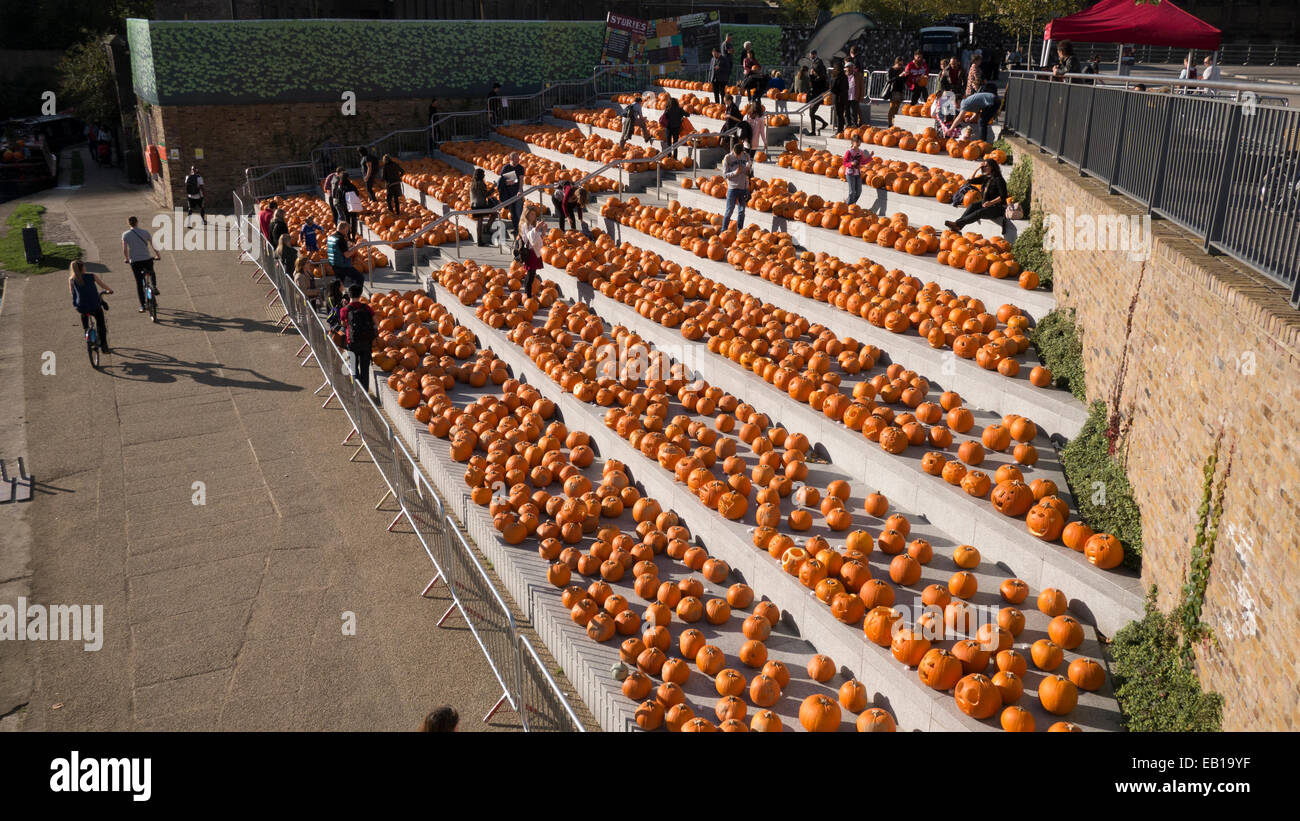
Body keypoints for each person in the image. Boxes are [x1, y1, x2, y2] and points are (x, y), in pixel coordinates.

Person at [945, 159, 1007, 232]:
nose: (984, 168)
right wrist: (977, 168)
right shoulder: (986, 178)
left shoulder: (999, 180)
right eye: (983, 166)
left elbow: (1003, 196)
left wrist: (991, 203)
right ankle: (958, 226)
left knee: (979, 212)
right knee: (972, 206)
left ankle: (957, 224)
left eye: (986, 166)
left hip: (998, 208)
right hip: (986, 204)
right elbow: (970, 181)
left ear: (992, 167)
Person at [339, 284, 377, 394]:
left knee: (354, 368)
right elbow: (376, 324)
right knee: (365, 369)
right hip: (366, 342)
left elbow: (343, 324)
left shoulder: (344, 310)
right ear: (360, 294)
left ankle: (356, 391)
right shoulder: (367, 308)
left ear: (349, 295)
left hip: (352, 342)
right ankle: (365, 392)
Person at [70, 260, 113, 353]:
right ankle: (104, 346)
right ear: (82, 268)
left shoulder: (72, 280)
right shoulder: (91, 276)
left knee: (85, 320)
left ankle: (87, 334)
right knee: (101, 325)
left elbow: (73, 293)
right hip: (94, 305)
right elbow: (102, 285)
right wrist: (110, 290)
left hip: (82, 307)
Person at [122, 216, 161, 313]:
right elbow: (153, 245)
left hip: (135, 261)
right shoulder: (145, 232)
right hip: (146, 259)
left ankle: (143, 305)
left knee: (139, 283)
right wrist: (157, 255)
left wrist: (126, 259)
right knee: (151, 272)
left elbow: (125, 249)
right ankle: (154, 286)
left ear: (128, 223)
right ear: (137, 222)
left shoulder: (125, 235)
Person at [721, 142, 752, 231]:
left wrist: (748, 168)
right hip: (733, 188)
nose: (738, 156)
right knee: (729, 211)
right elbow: (724, 175)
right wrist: (735, 173)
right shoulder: (727, 158)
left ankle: (740, 231)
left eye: (740, 154)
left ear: (742, 152)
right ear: (733, 151)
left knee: (742, 211)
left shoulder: (746, 156)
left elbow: (749, 172)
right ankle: (723, 230)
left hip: (743, 187)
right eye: (736, 154)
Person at [518, 205, 546, 296]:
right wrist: (537, 228)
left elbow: (538, 240)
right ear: (526, 215)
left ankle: (527, 293)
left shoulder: (531, 225)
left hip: (534, 252)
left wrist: (543, 231)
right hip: (530, 252)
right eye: (532, 214)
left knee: (532, 274)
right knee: (530, 275)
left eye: (534, 214)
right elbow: (530, 238)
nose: (534, 216)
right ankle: (527, 295)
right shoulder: (525, 225)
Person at [496, 152, 526, 235]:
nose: (518, 159)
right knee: (512, 212)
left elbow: (520, 180)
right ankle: (516, 228)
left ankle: (520, 230)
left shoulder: (520, 168)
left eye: (518, 158)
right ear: (511, 159)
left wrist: (520, 190)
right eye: (516, 158)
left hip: (517, 192)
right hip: (508, 193)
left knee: (518, 211)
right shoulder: (506, 168)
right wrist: (511, 181)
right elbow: (507, 181)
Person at [327, 222, 363, 289]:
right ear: (344, 229)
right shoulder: (340, 239)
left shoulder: (330, 237)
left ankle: (337, 298)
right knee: (360, 278)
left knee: (339, 285)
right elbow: (347, 255)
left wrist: (348, 247)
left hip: (334, 265)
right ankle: (355, 296)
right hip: (343, 266)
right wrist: (357, 247)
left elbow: (337, 250)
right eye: (347, 230)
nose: (347, 232)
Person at [469, 167, 499, 247]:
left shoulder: (472, 184)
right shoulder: (481, 184)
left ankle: (479, 240)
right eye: (483, 174)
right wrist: (493, 187)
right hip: (481, 205)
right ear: (481, 175)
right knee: (494, 214)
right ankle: (487, 228)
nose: (484, 175)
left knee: (479, 221)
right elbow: (487, 195)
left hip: (474, 206)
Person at [842, 134, 870, 205]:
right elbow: (845, 163)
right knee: (852, 192)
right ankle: (848, 206)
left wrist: (870, 157)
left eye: (859, 142)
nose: (858, 143)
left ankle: (849, 203)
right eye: (857, 142)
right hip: (850, 174)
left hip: (858, 174)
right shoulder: (849, 152)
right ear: (852, 142)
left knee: (859, 191)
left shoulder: (860, 152)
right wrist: (851, 163)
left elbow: (862, 162)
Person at [806, 53, 830, 135]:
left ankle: (814, 131)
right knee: (811, 114)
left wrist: (811, 76)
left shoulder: (820, 80)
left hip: (817, 97)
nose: (812, 71)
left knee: (811, 113)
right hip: (814, 96)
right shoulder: (817, 78)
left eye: (813, 71)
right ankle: (823, 123)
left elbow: (815, 85)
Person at [886, 57, 907, 126]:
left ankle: (894, 122)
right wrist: (899, 76)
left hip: (900, 90)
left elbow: (904, 80)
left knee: (897, 107)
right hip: (893, 90)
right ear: (896, 63)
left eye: (902, 65)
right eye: (899, 65)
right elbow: (889, 80)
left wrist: (906, 75)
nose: (901, 66)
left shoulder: (901, 70)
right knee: (892, 107)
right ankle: (889, 123)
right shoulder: (891, 70)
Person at [830, 61, 849, 134]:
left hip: (837, 98)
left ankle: (839, 130)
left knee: (838, 114)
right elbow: (847, 87)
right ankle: (841, 129)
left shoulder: (836, 77)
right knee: (841, 114)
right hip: (844, 97)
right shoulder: (844, 77)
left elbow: (832, 88)